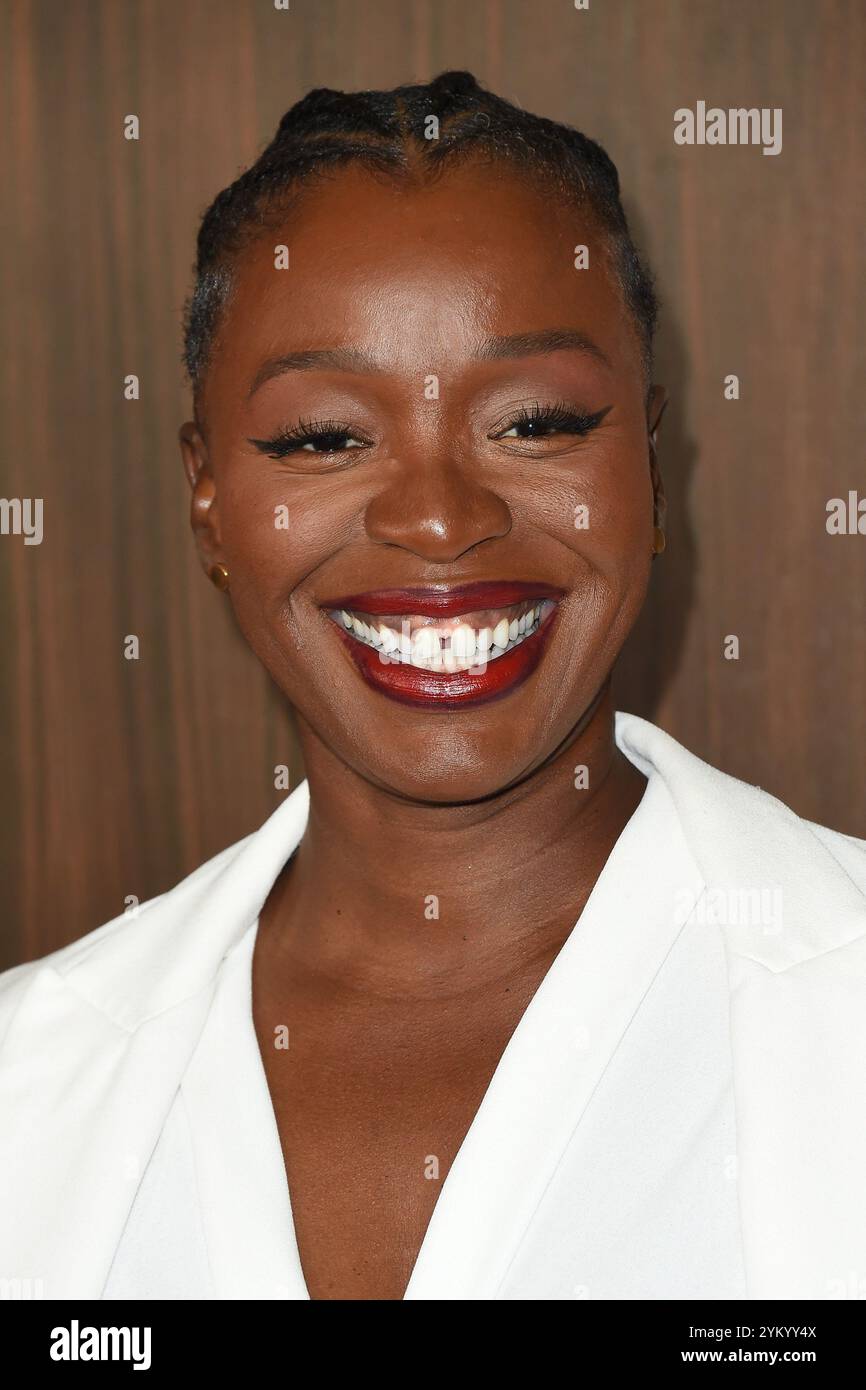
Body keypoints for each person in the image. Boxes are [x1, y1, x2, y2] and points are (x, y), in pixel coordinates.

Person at [1, 70, 864, 1303]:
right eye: (323, 438)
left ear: (652, 470)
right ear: (207, 501)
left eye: (534, 422)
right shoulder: (29, 1081)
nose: (440, 519)